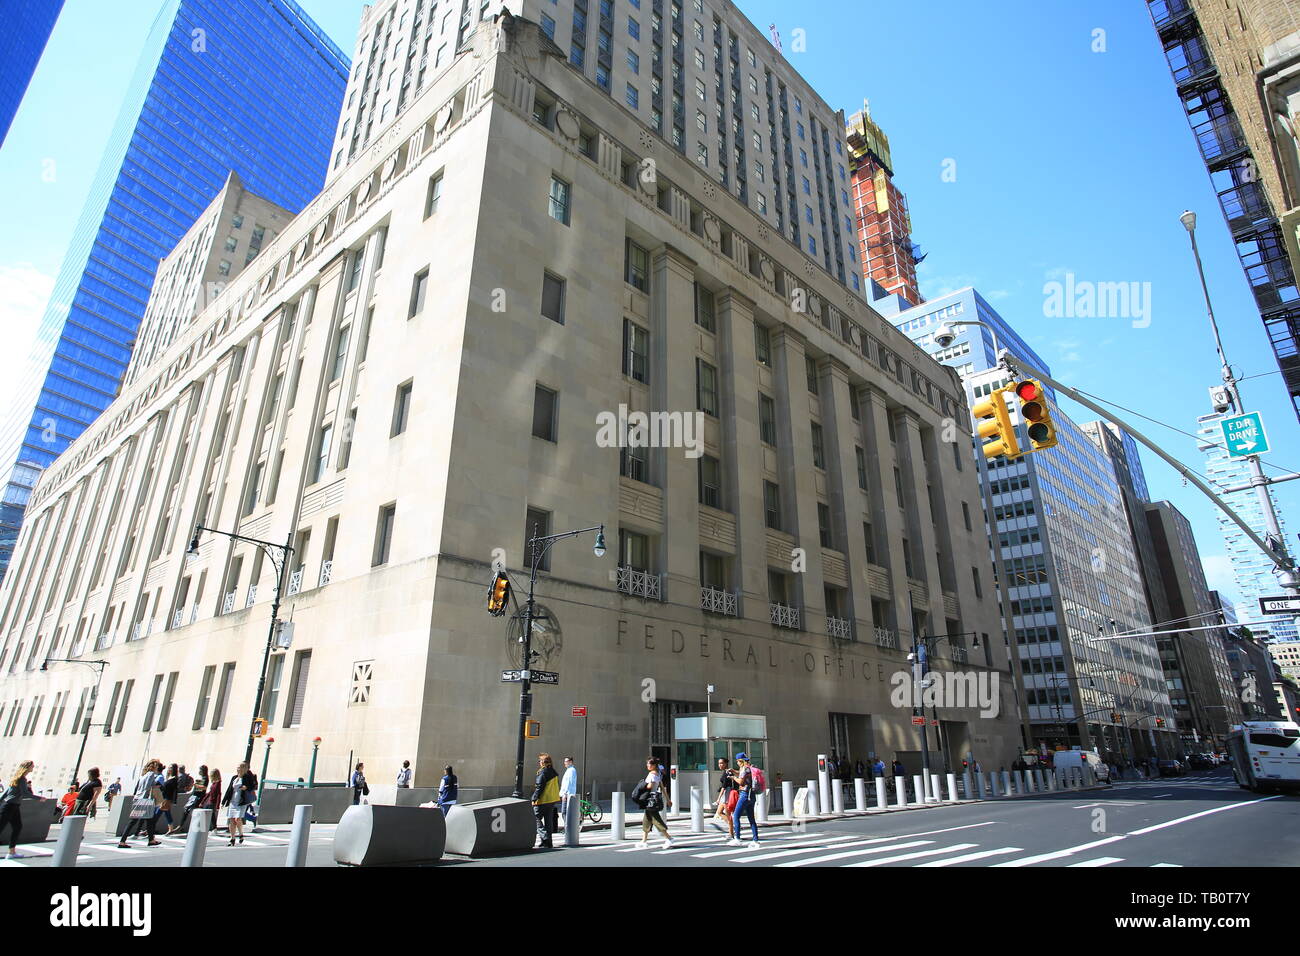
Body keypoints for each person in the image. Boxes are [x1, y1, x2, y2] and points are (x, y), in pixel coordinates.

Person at [118, 760, 164, 848]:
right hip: (144, 800)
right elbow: (148, 786)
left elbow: (141, 787)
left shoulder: (143, 775)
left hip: (138, 798)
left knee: (141, 820)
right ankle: (123, 841)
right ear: (154, 767)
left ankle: (150, 840)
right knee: (145, 820)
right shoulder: (151, 774)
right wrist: (154, 789)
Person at [633, 756, 672, 849]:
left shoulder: (652, 774)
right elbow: (662, 788)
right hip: (652, 800)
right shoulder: (658, 774)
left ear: (654, 765)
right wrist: (668, 800)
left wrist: (642, 785)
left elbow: (650, 786)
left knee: (656, 819)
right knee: (646, 820)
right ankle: (644, 841)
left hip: (650, 799)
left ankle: (669, 838)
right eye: (647, 763)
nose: (647, 765)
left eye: (649, 764)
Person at [1, 760, 36, 860]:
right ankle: (11, 852)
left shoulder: (17, 777)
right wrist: (39, 798)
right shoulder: (22, 779)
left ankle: (11, 852)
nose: (33, 767)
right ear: (27, 767)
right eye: (32, 766)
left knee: (17, 827)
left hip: (13, 806)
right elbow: (25, 793)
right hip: (10, 806)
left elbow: (6, 792)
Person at [728, 752, 759, 848]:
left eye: (737, 761)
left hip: (744, 794)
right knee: (751, 818)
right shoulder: (749, 768)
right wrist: (733, 771)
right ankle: (755, 840)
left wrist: (733, 777)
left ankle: (737, 838)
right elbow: (742, 775)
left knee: (736, 816)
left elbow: (741, 781)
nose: (737, 763)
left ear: (740, 761)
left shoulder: (744, 769)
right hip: (751, 795)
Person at [221, 762, 257, 846]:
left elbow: (253, 786)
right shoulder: (234, 777)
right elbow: (229, 790)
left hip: (241, 801)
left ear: (244, 768)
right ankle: (232, 838)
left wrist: (246, 787)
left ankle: (241, 834)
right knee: (231, 820)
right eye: (237, 767)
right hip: (232, 801)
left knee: (238, 819)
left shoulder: (247, 777)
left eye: (239, 767)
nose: (238, 769)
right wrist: (223, 802)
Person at [531, 753, 561, 848]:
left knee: (536, 818)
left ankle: (545, 838)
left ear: (543, 762)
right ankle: (548, 842)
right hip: (552, 800)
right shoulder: (553, 772)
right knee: (548, 821)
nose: (539, 762)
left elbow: (539, 786)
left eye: (539, 761)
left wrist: (534, 798)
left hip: (543, 800)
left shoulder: (543, 772)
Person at [711, 757, 737, 832]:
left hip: (727, 794)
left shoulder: (727, 772)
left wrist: (718, 799)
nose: (720, 765)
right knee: (719, 812)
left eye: (722, 763)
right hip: (726, 794)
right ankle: (733, 826)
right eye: (719, 763)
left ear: (726, 764)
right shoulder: (726, 772)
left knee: (727, 813)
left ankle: (732, 830)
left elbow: (724, 787)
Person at [558, 756, 578, 832]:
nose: (565, 763)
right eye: (564, 761)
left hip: (567, 795)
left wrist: (565, 794)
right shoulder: (569, 770)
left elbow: (569, 783)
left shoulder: (571, 770)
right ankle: (567, 828)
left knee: (564, 812)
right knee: (566, 812)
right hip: (568, 794)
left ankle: (568, 828)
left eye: (566, 761)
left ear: (571, 762)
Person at [160, 763, 181, 835]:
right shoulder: (168, 777)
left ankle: (149, 829)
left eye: (171, 768)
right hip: (163, 798)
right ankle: (171, 829)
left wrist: (174, 801)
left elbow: (175, 791)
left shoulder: (174, 779)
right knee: (167, 813)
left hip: (167, 799)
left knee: (158, 814)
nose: (169, 769)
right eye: (169, 768)